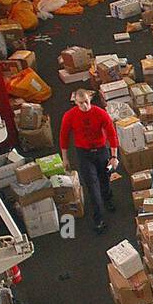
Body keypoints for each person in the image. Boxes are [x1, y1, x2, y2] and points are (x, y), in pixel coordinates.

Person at [60, 89, 119, 234]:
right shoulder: (70, 116)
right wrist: (65, 158)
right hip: (84, 154)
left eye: (86, 102)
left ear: (90, 99)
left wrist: (114, 156)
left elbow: (111, 134)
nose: (85, 106)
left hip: (101, 151)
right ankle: (98, 220)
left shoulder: (100, 113)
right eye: (81, 103)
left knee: (104, 178)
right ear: (75, 102)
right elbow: (64, 137)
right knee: (92, 186)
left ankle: (107, 198)